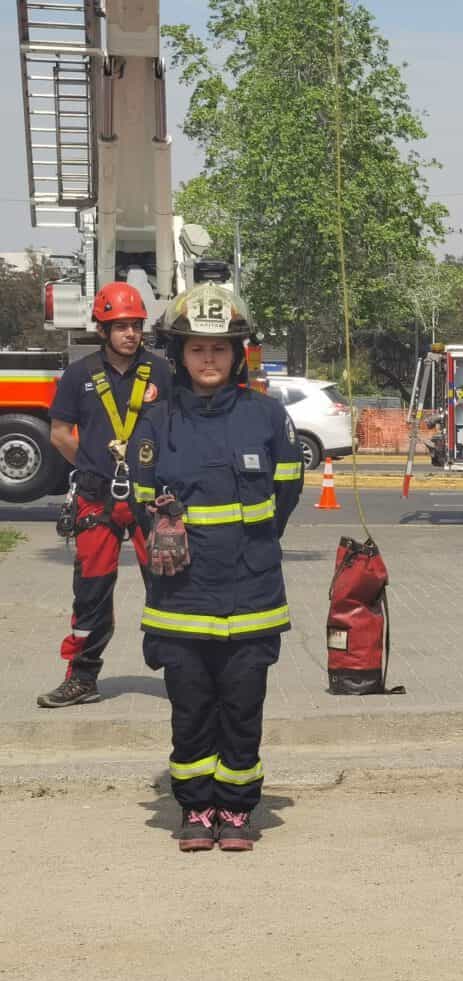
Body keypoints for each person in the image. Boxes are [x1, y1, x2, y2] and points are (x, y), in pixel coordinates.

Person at [126, 282, 305, 851]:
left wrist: (251, 544)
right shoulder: (155, 421)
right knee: (191, 711)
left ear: (238, 355)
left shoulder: (267, 416)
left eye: (220, 349)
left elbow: (286, 493)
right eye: (197, 349)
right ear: (178, 353)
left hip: (252, 595)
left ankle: (235, 811)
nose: (208, 359)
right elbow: (139, 499)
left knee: (243, 708)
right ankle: (196, 810)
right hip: (180, 598)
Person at [37, 282, 173, 708]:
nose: (130, 333)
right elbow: (59, 434)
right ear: (102, 329)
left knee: (170, 584)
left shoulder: (161, 372)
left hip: (151, 499)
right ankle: (82, 676)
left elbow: (178, 432)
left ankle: (181, 668)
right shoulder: (79, 375)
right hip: (97, 498)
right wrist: (95, 464)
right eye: (120, 326)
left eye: (135, 325)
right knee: (91, 591)